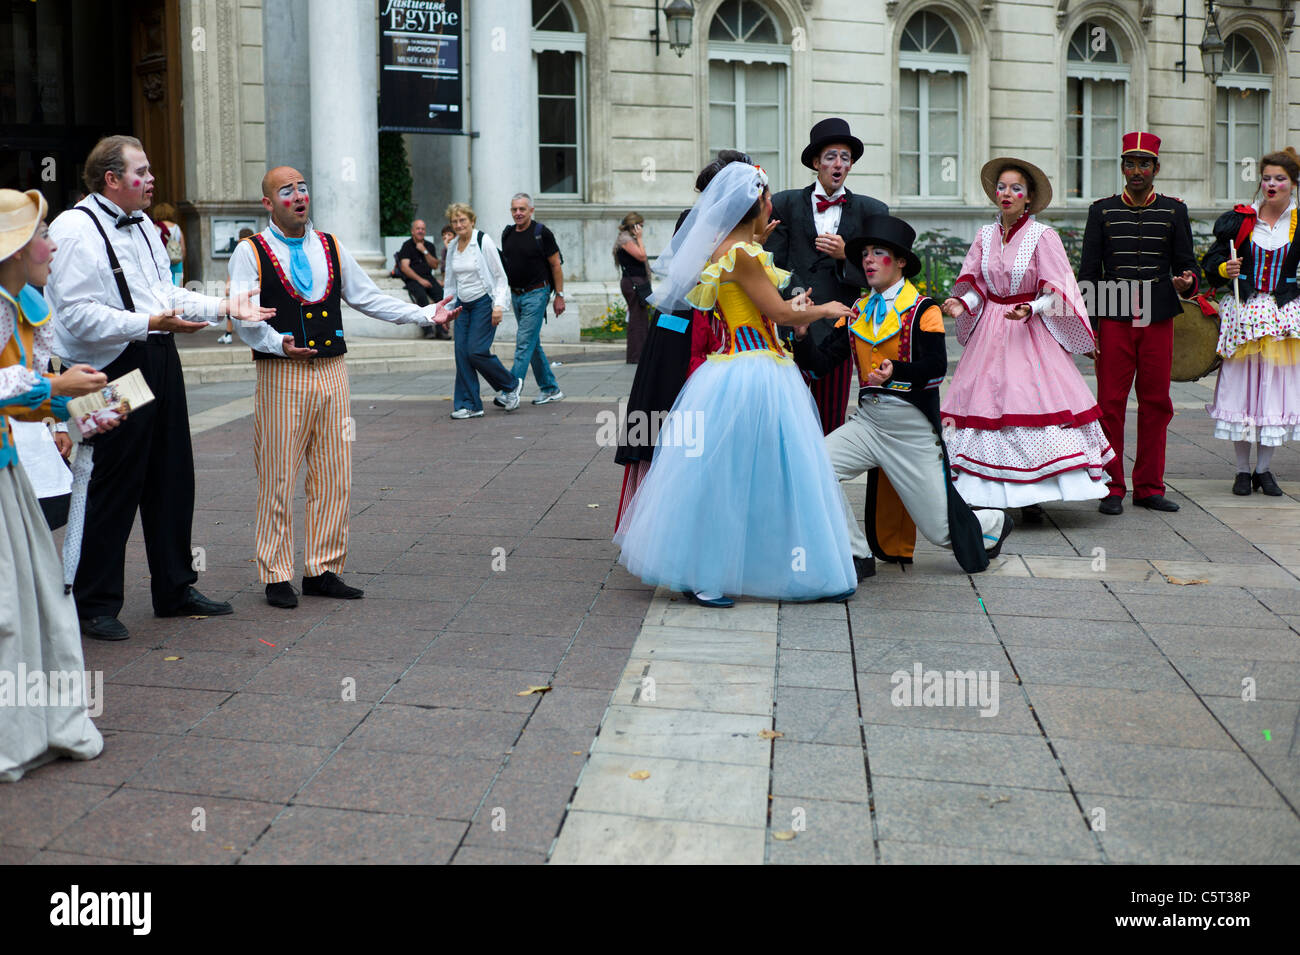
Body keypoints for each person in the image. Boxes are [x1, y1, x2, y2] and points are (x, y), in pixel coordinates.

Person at [45, 135, 272, 641]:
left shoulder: (145, 223)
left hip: (157, 357)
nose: (151, 180)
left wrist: (221, 309)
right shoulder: (74, 229)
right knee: (108, 483)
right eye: (141, 172)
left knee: (172, 476)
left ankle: (174, 587)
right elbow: (75, 317)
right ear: (112, 179)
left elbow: (166, 292)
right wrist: (148, 321)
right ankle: (91, 603)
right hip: (105, 372)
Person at [614, 160, 857, 607]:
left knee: (731, 474)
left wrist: (788, 297)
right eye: (766, 199)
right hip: (750, 370)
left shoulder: (733, 250)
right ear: (755, 206)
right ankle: (715, 574)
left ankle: (713, 569)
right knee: (744, 473)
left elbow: (765, 310)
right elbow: (781, 316)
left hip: (744, 366)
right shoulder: (740, 255)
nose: (772, 206)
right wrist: (824, 309)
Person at [228, 166, 458, 609]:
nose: (298, 195)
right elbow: (242, 316)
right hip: (281, 373)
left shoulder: (329, 245)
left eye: (302, 187)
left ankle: (322, 569)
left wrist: (427, 314)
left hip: (333, 369)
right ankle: (276, 574)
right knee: (278, 475)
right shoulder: (250, 252)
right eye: (286, 190)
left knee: (334, 474)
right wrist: (278, 343)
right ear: (268, 203)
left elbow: (367, 296)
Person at [793, 216, 1013, 576]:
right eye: (864, 253)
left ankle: (992, 523)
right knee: (811, 468)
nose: (867, 260)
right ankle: (855, 554)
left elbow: (934, 369)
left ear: (900, 263)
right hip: (868, 424)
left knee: (941, 532)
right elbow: (818, 367)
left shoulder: (924, 310)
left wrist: (897, 370)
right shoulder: (856, 311)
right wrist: (801, 335)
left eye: (878, 253)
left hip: (911, 431)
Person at [0, 187, 110, 781]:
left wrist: (80, 407)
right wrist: (58, 391)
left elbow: (24, 391)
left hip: (6, 474)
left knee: (34, 598)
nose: (53, 242)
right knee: (9, 607)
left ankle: (33, 725)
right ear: (15, 249)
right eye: (42, 234)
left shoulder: (21, 302)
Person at [940, 158, 1113, 520]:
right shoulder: (984, 236)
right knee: (986, 407)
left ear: (1028, 199)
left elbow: (1058, 289)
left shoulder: (1042, 236)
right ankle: (990, 490)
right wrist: (961, 302)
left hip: (1028, 333)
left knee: (1027, 406)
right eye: (1002, 187)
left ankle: (1032, 494)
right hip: (990, 329)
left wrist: (1031, 308)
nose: (1007, 194)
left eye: (1015, 188)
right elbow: (978, 285)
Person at [614, 155, 747, 528]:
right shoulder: (706, 225)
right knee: (670, 420)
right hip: (683, 331)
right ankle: (663, 524)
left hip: (690, 328)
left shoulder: (737, 227)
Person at [1078, 131, 1200, 515]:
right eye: (1129, 163)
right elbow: (1089, 272)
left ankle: (1148, 486)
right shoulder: (1101, 210)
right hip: (1113, 307)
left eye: (1143, 164)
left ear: (1156, 168)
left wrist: (1186, 282)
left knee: (1156, 402)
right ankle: (1111, 485)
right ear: (1122, 167)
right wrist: (1090, 328)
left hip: (1156, 308)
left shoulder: (1174, 210)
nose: (1136, 171)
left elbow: (1189, 267)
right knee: (1109, 402)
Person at [766, 118, 888, 435]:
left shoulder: (872, 211)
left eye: (845, 158)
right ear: (817, 162)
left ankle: (826, 482)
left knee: (830, 423)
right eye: (831, 156)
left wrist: (846, 255)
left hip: (839, 334)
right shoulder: (783, 203)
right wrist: (794, 300)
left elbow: (881, 278)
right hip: (792, 327)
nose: (838, 163)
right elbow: (773, 265)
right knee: (786, 422)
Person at [1202, 148, 1300, 495]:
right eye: (1267, 178)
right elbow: (1210, 260)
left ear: (1293, 184)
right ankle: (1242, 471)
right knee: (1241, 391)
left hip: (1281, 317)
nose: (1272, 185)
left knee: (1273, 391)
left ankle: (1264, 469)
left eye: (1280, 179)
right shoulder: (1241, 220)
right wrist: (1222, 269)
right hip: (1243, 315)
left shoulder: (1298, 224)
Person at [439, 202, 519, 418]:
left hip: (484, 302)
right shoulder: (453, 246)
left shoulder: (483, 241)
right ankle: (470, 404)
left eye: (462, 220)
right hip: (462, 306)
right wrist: (445, 310)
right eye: (455, 221)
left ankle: (510, 385)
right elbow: (449, 283)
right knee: (461, 354)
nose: (458, 224)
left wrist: (499, 306)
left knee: (475, 350)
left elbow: (501, 277)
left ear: (472, 221)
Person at [499, 193, 564, 404]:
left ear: (531, 211)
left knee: (523, 342)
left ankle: (510, 389)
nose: (518, 213)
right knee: (532, 343)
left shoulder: (541, 233)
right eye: (514, 209)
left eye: (522, 209)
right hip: (516, 295)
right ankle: (550, 388)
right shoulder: (507, 234)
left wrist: (559, 296)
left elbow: (555, 265)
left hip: (537, 293)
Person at [397, 218, 449, 341]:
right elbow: (405, 267)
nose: (420, 231)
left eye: (423, 229)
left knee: (440, 296)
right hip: (413, 279)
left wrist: (424, 251)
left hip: (428, 278)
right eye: (418, 229)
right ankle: (428, 330)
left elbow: (435, 265)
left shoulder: (429, 246)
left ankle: (441, 330)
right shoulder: (407, 246)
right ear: (412, 231)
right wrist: (420, 280)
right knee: (421, 296)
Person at [616, 212, 651, 363]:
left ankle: (640, 354)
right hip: (634, 283)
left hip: (637, 282)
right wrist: (640, 239)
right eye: (640, 226)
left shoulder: (628, 238)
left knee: (641, 318)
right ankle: (635, 356)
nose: (641, 229)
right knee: (637, 320)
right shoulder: (625, 239)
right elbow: (641, 256)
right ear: (634, 225)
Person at [218, 226, 255, 344]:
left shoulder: (239, 250)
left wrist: (228, 284)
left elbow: (233, 270)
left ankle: (228, 335)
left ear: (239, 239)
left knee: (233, 309)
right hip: (253, 286)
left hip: (240, 286)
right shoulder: (255, 250)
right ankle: (230, 334)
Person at [151, 201, 185, 287]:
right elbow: (183, 249)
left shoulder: (155, 228)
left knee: (164, 288)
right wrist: (180, 261)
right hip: (176, 262)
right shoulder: (177, 228)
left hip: (162, 263)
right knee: (177, 289)